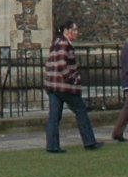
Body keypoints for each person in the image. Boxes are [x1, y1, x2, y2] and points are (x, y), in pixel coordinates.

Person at [42, 22, 99, 151]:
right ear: (66, 30)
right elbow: (62, 65)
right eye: (74, 29)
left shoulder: (55, 43)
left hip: (52, 86)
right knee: (81, 110)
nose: (77, 32)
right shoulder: (63, 44)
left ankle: (52, 146)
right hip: (63, 86)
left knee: (54, 116)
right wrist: (74, 79)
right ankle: (89, 142)